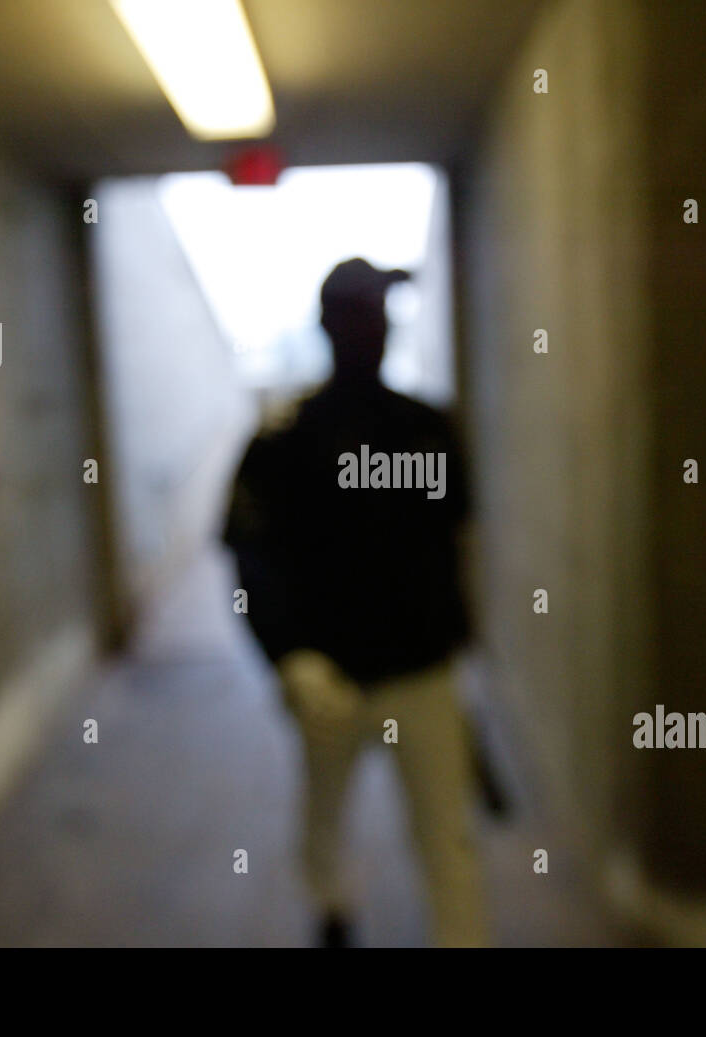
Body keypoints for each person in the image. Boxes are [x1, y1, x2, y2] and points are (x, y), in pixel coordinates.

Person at [223, 258, 487, 947]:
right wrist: (288, 656)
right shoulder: (285, 441)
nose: (375, 328)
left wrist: (462, 636)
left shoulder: (425, 426)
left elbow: (457, 538)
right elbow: (250, 557)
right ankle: (333, 911)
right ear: (330, 326)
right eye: (360, 313)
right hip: (331, 679)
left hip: (422, 674)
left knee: (446, 840)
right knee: (323, 821)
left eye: (381, 313)